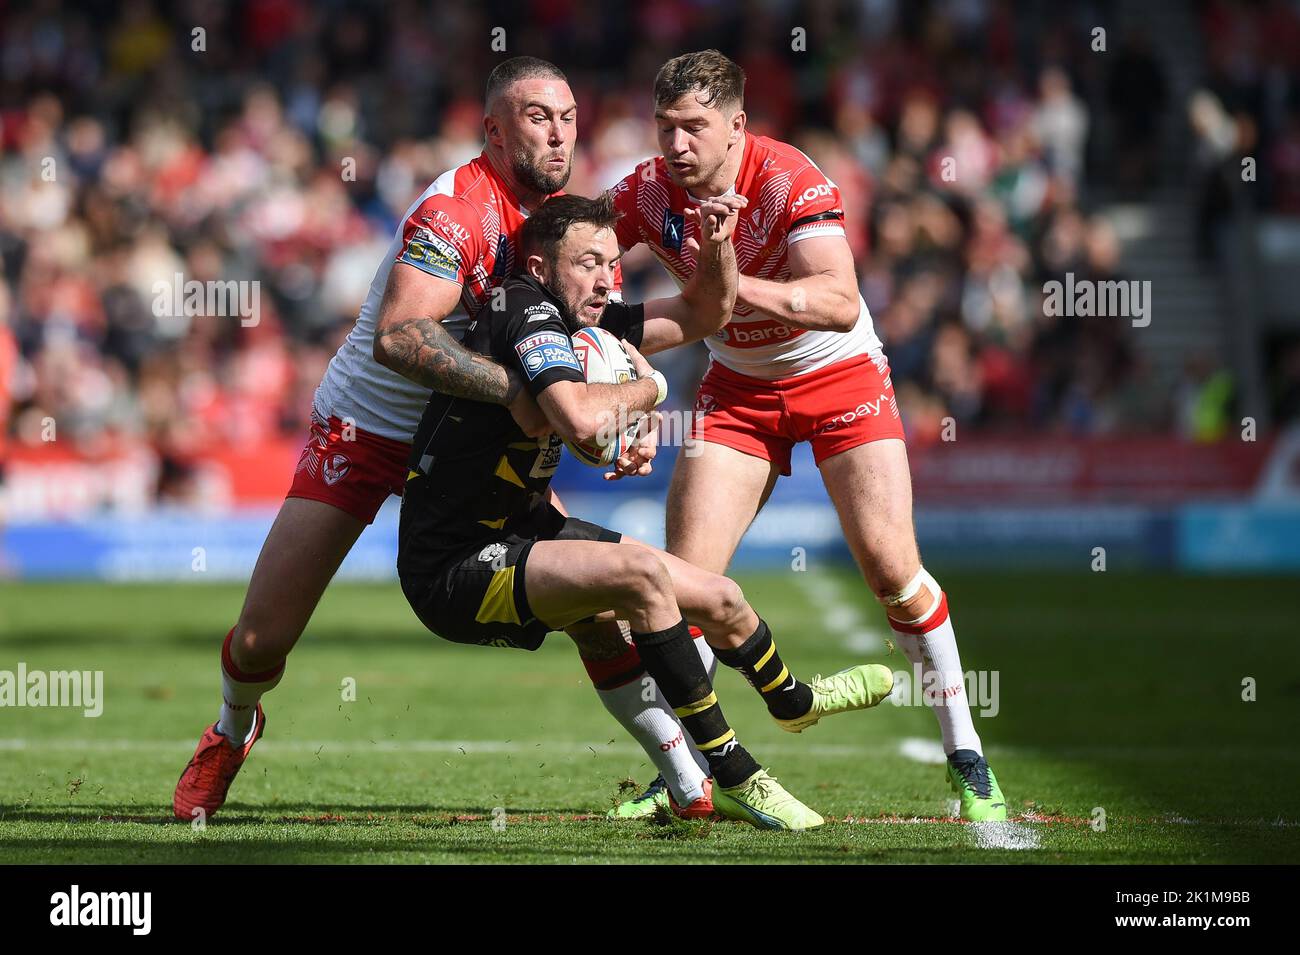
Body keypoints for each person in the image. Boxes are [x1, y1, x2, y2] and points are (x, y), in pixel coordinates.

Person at [398, 191, 891, 830]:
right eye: (586, 263)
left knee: (718, 597)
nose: (606, 278)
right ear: (543, 270)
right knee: (642, 579)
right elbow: (577, 415)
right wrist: (649, 391)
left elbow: (704, 312)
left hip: (522, 528)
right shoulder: (527, 309)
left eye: (612, 262)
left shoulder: (586, 322)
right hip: (456, 563)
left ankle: (783, 709)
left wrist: (717, 245)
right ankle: (735, 770)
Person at [608, 50, 1006, 822]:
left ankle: (967, 756)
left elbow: (836, 298)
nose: (678, 146)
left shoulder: (789, 176)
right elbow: (577, 255)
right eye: (666, 129)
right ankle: (687, 772)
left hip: (839, 375)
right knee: (683, 583)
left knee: (892, 568)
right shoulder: (647, 190)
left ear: (737, 127)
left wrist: (723, 284)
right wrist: (594, 347)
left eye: (694, 128)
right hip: (737, 389)